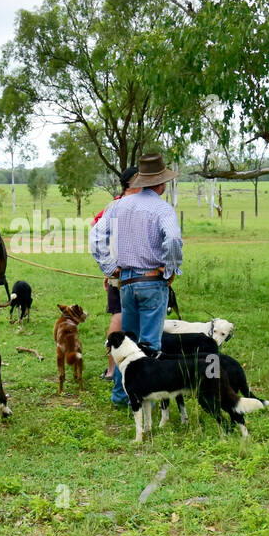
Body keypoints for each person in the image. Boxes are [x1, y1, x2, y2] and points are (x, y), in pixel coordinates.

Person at [90, 152, 183, 406]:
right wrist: (171, 268)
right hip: (152, 282)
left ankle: (121, 395)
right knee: (150, 343)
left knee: (127, 341)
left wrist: (110, 267)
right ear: (161, 183)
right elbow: (173, 240)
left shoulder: (118, 205)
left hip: (127, 284)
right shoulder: (162, 209)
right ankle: (147, 400)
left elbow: (95, 237)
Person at [93, 165, 141, 380]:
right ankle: (114, 370)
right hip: (126, 276)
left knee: (123, 317)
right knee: (119, 318)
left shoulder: (113, 206)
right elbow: (98, 233)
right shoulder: (123, 206)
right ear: (133, 184)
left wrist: (108, 267)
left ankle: (118, 369)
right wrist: (110, 268)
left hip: (120, 274)